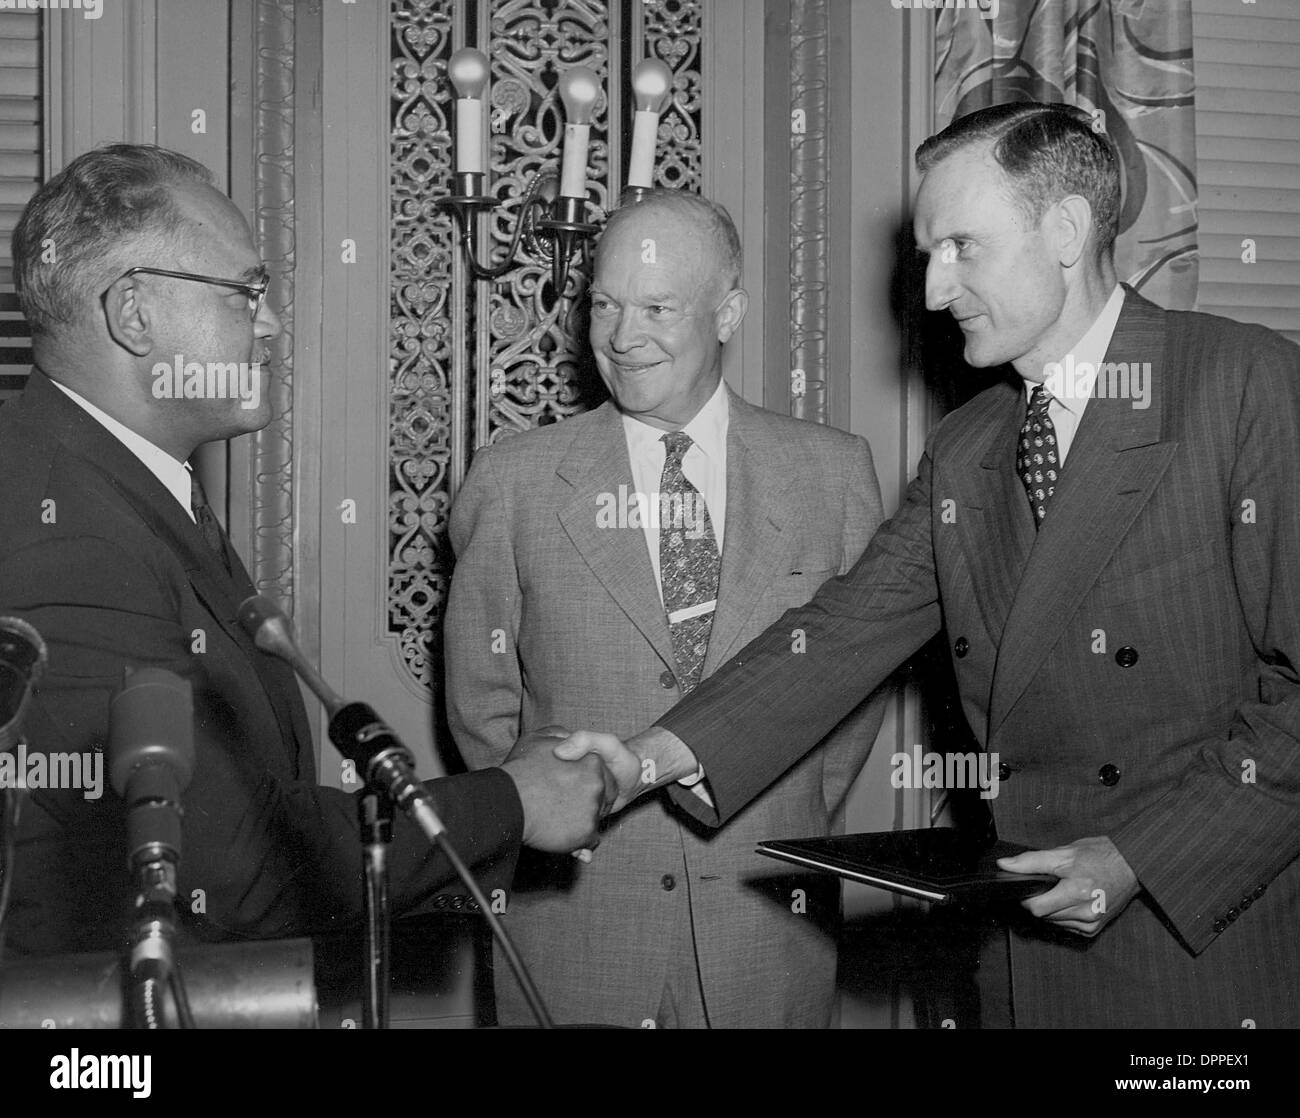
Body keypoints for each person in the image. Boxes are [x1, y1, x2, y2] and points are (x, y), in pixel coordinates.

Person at [560, 103, 1300, 1028]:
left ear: (1066, 231)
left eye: (962, 248)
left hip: (1195, 950)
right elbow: (838, 634)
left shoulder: (1243, 384)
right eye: (927, 255)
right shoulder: (971, 443)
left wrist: (1143, 858)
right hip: (1025, 950)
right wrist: (644, 759)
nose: (937, 290)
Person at [0, 143, 609, 959]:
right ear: (134, 313)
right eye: (246, 292)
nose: (272, 322)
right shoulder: (63, 531)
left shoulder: (110, 479)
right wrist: (515, 800)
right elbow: (234, 870)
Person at [446, 189, 889, 1027]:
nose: (621, 335)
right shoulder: (516, 480)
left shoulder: (832, 475)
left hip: (768, 927)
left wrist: (774, 804)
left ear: (728, 313)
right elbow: (483, 703)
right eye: (604, 305)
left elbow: (850, 698)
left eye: (657, 307)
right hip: (576, 931)